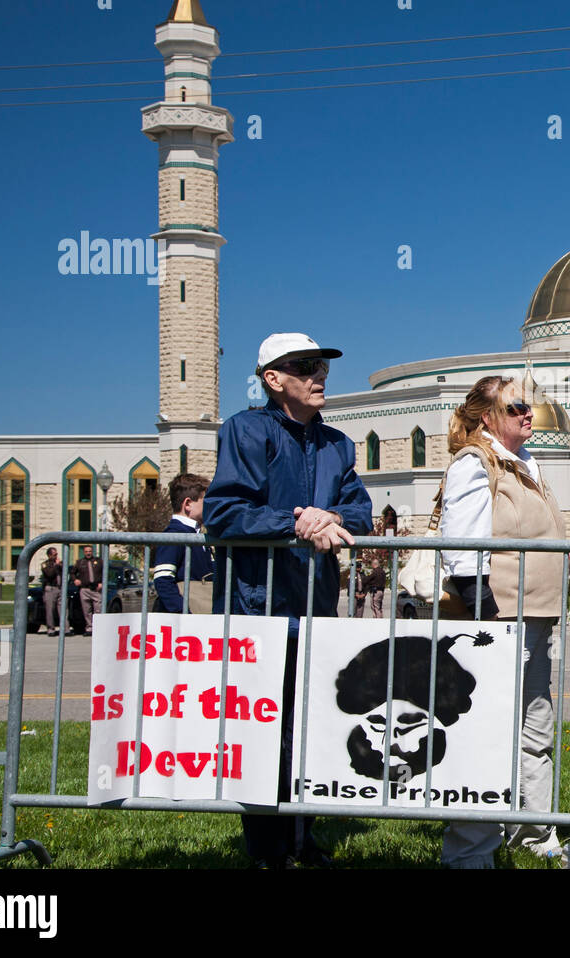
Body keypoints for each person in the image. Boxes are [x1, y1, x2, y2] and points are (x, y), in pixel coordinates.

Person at [203, 332, 373, 870]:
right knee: (262, 734)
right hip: (258, 611)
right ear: (273, 379)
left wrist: (335, 518)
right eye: (304, 367)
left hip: (315, 611)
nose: (319, 374)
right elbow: (224, 513)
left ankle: (304, 840)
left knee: (310, 730)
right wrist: (295, 520)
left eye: (322, 365)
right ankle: (267, 850)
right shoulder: (246, 430)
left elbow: (361, 511)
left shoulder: (338, 444)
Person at [438, 375, 566, 868]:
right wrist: (484, 620)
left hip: (534, 616)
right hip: (497, 618)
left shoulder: (525, 462)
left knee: (535, 725)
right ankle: (471, 849)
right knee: (484, 730)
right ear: (488, 416)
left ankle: (533, 833)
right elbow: (463, 545)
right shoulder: (476, 462)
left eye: (528, 407)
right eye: (516, 408)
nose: (528, 414)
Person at [151, 473, 213, 613]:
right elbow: (163, 580)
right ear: (188, 504)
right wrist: (183, 613)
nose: (210, 507)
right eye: (205, 501)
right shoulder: (174, 535)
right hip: (184, 622)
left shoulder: (196, 535)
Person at [72, 546, 103, 635]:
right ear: (84, 552)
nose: (88, 553)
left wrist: (102, 583)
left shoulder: (99, 561)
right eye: (86, 551)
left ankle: (98, 628)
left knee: (98, 610)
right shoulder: (80, 562)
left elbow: (105, 572)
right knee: (87, 611)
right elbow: (72, 573)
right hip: (84, 589)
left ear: (92, 552)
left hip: (96, 589)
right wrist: (75, 580)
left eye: (89, 551)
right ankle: (89, 628)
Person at [40, 547, 62, 636]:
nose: (56, 556)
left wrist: (60, 565)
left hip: (60, 588)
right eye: (54, 554)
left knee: (63, 609)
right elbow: (49, 574)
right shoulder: (45, 564)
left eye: (56, 554)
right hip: (50, 588)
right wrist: (56, 566)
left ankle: (65, 629)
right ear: (49, 555)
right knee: (50, 610)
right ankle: (51, 629)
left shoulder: (60, 564)